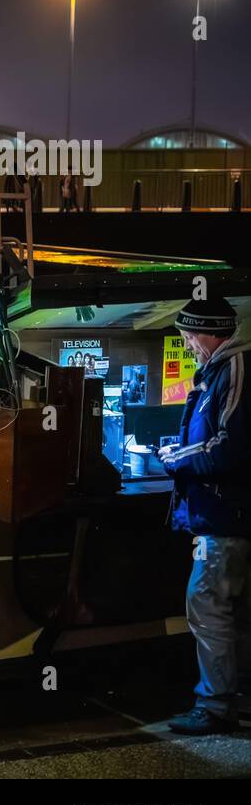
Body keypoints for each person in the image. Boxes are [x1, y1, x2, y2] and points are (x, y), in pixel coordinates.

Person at [160, 296, 251, 734]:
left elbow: (229, 447)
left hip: (225, 517)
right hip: (219, 514)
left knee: (208, 605)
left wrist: (175, 458)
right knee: (228, 610)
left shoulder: (235, 370)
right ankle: (234, 699)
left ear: (209, 333)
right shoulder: (216, 372)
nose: (188, 345)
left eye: (189, 336)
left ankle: (214, 706)